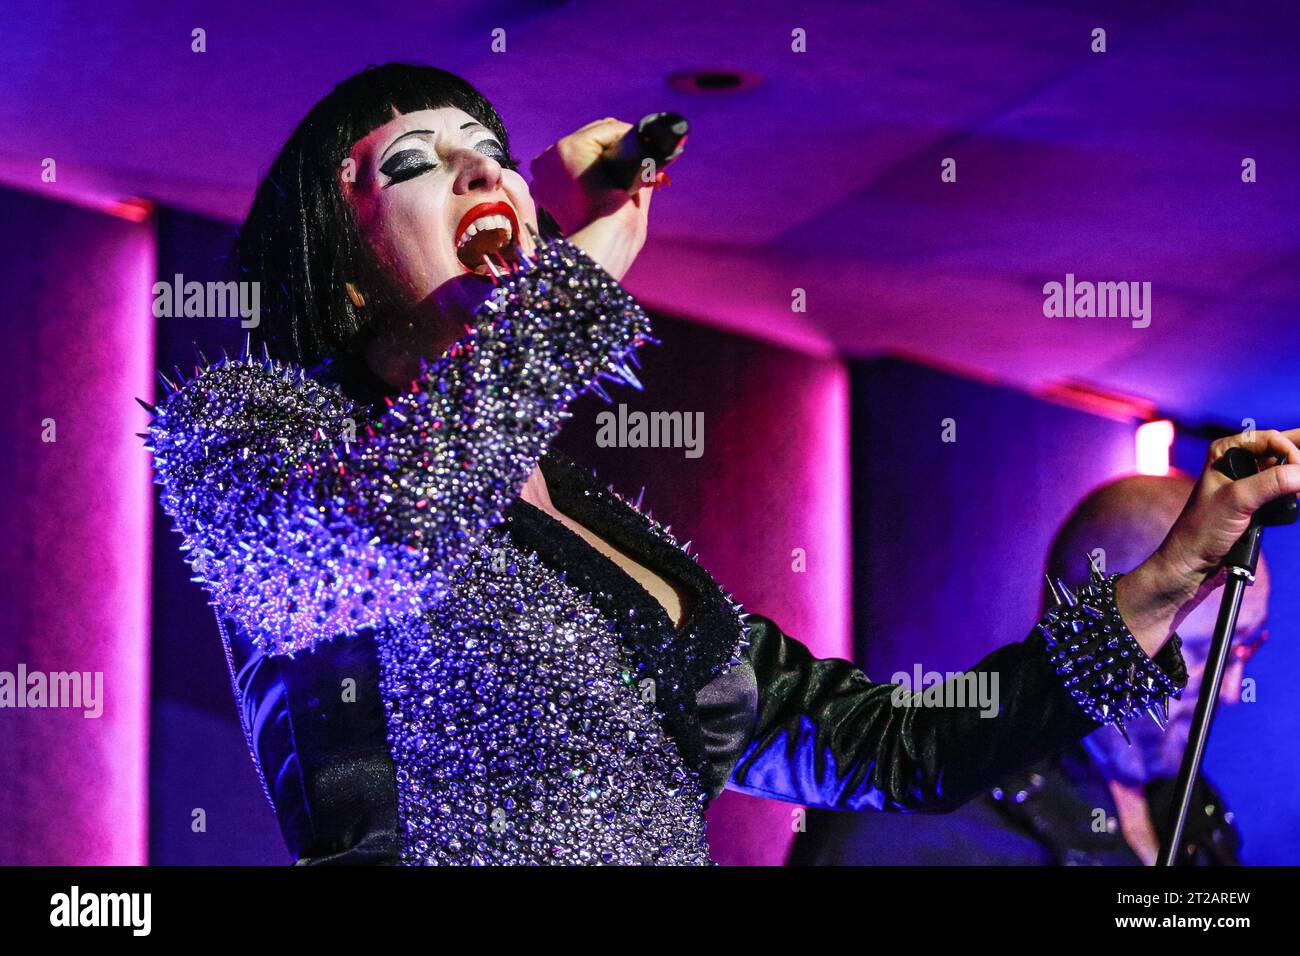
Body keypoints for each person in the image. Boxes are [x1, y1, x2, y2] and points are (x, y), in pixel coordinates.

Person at [141, 63, 1300, 865]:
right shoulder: (252, 438)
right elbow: (390, 529)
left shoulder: (607, 542)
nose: (479, 174)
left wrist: (1182, 560)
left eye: (491, 156)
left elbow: (898, 744)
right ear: (342, 266)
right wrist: (575, 280)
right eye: (415, 163)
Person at [790, 474, 1267, 866]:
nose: (1230, 688)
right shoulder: (904, 821)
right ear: (1095, 619)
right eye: (1207, 650)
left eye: (1246, 648)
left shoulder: (1189, 805)